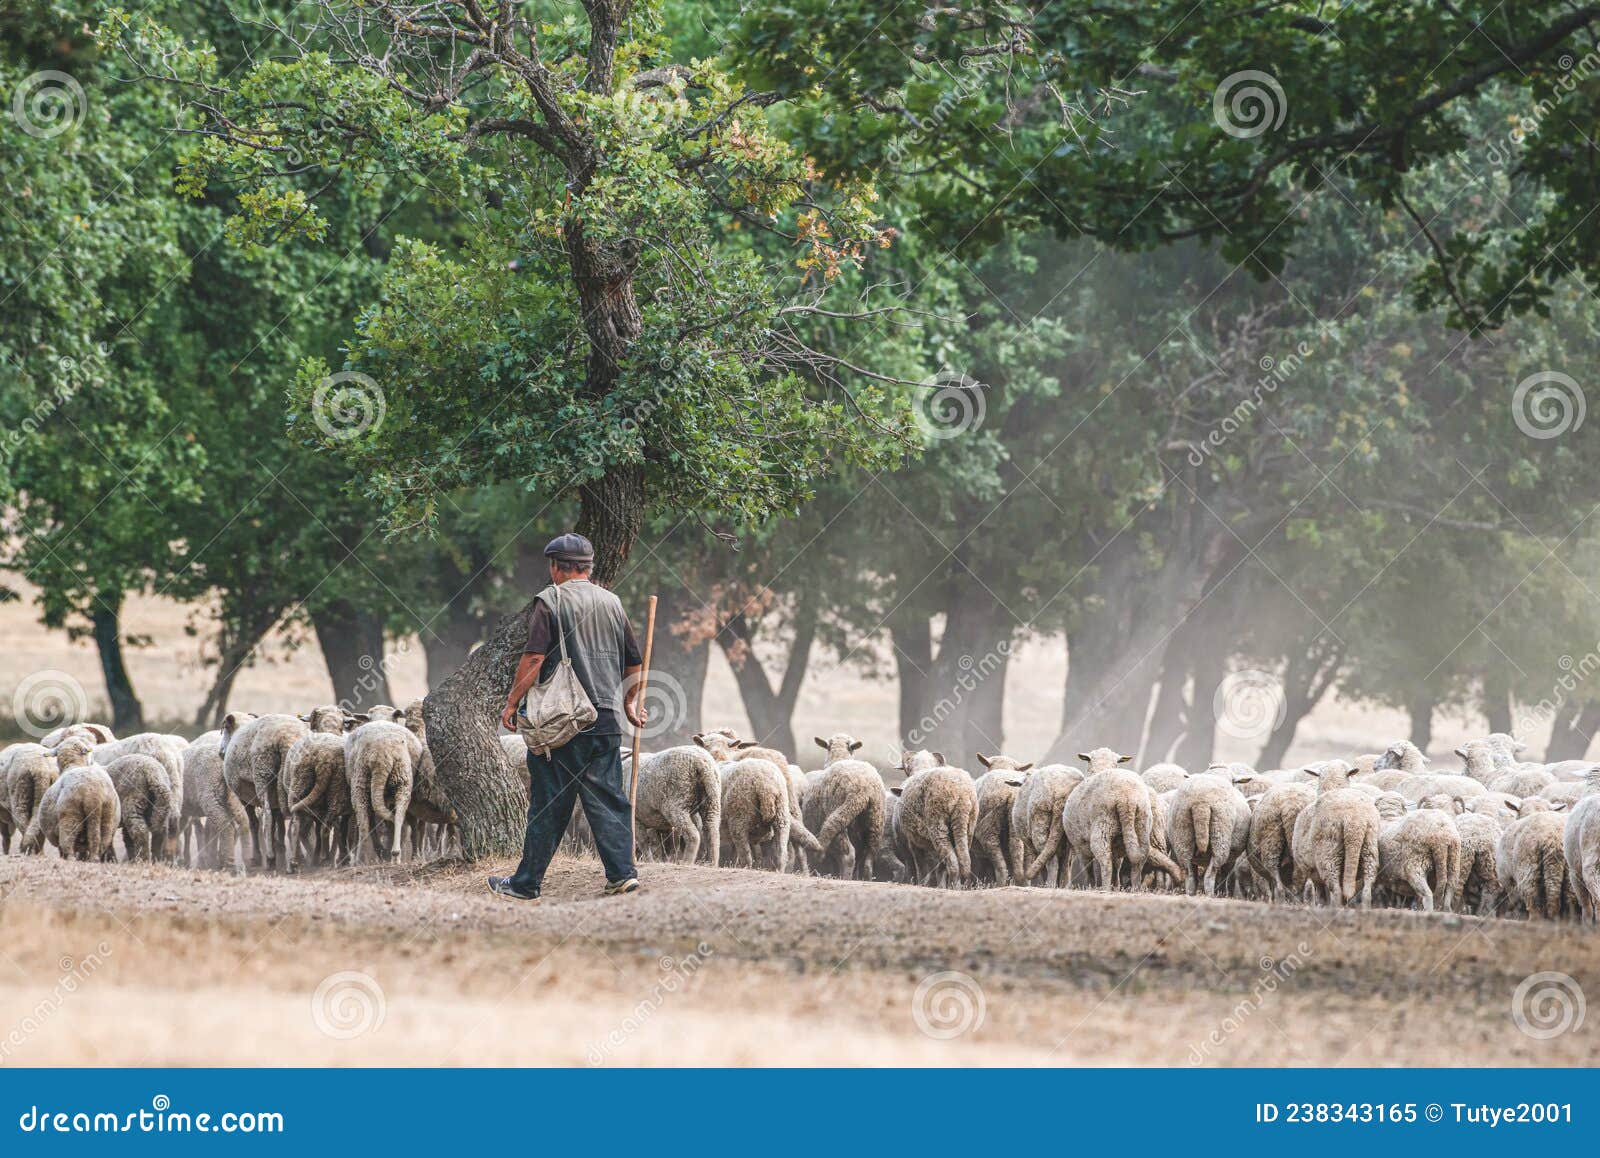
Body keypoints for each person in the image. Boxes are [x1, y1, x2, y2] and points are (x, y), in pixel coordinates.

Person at [489, 533, 645, 901]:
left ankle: (526, 884)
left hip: (564, 723)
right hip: (606, 723)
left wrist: (512, 703)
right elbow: (634, 662)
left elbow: (533, 659)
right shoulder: (613, 603)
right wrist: (628, 704)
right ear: (588, 568)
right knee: (609, 799)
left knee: (548, 803)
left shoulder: (551, 601)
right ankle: (622, 875)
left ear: (556, 567)